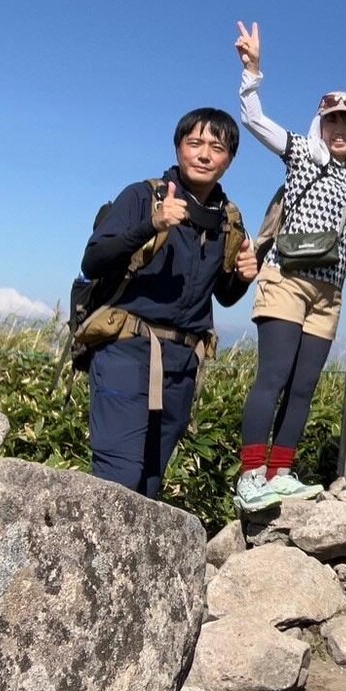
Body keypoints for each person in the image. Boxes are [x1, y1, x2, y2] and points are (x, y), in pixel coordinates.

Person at [82, 108, 258, 499]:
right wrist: (152, 224)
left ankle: (136, 561)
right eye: (194, 143)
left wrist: (243, 278)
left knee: (151, 480)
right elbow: (92, 260)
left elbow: (224, 296)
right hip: (127, 350)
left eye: (217, 147)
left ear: (230, 159)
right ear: (178, 147)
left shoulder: (228, 219)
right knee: (119, 476)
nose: (204, 154)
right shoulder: (143, 196)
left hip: (182, 362)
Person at [232, 20, 346, 512]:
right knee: (272, 377)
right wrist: (252, 70)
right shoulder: (302, 155)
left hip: (329, 293)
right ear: (321, 124)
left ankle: (280, 470)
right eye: (332, 121)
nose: (340, 130)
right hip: (288, 281)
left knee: (304, 386)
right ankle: (251, 476)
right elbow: (254, 120)